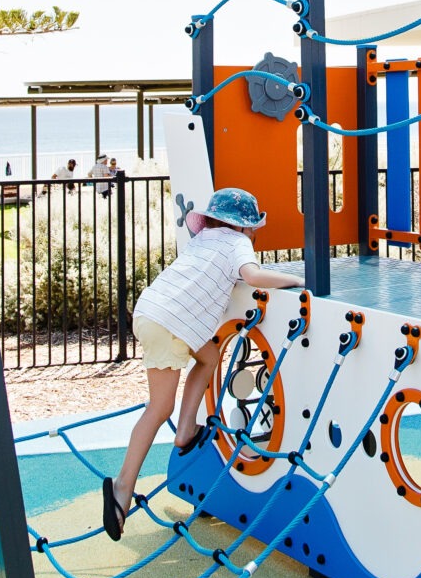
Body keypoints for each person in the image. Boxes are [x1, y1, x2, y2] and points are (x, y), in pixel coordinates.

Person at [103, 187, 299, 540]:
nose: (254, 233)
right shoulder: (238, 243)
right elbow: (253, 276)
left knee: (208, 358)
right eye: (254, 228)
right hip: (169, 323)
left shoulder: (204, 239)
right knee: (159, 407)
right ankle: (122, 487)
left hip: (152, 312)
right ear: (244, 226)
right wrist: (298, 280)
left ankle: (185, 430)